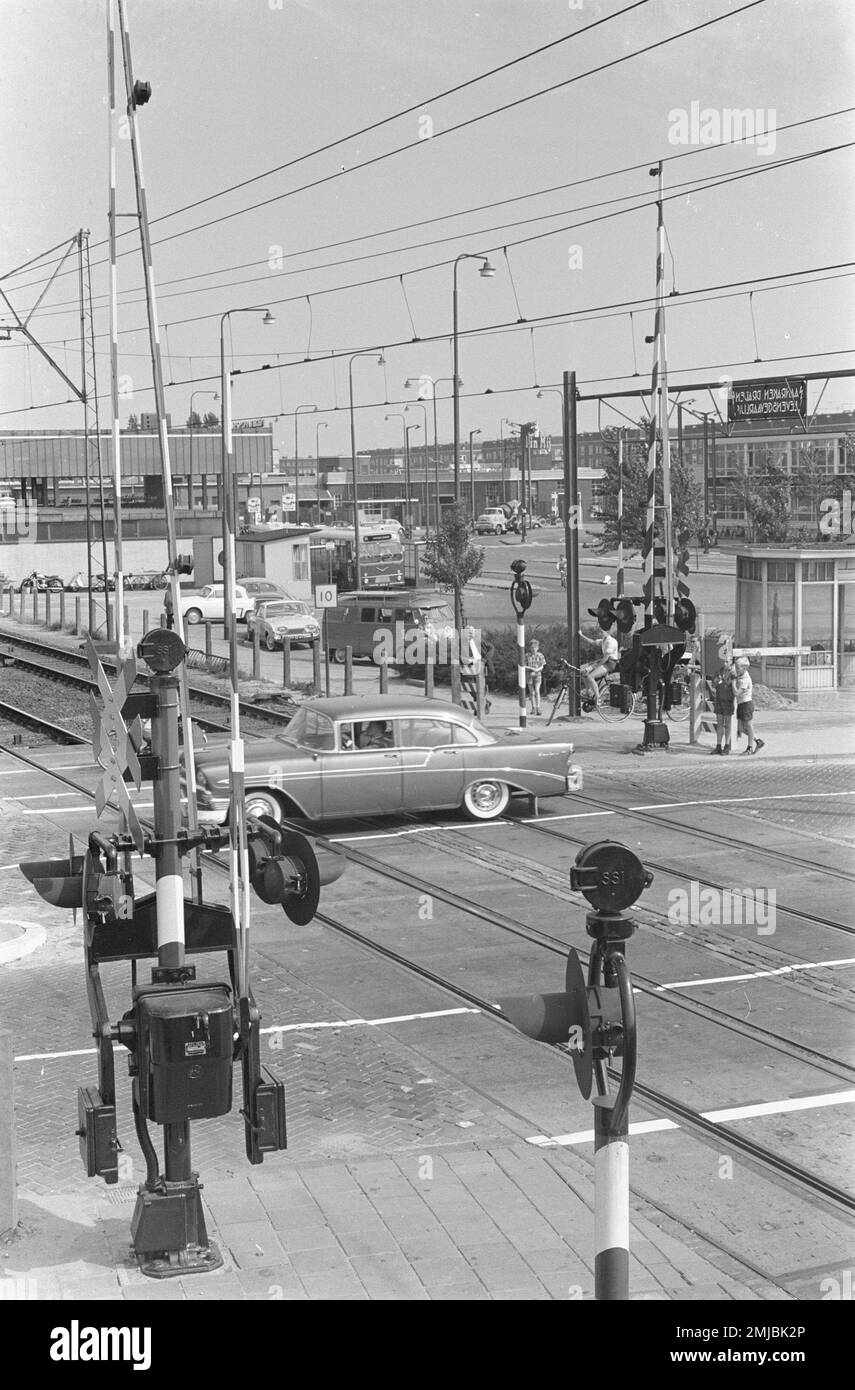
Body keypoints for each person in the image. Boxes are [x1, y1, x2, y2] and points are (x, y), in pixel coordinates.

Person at [578, 623, 619, 704]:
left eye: (601, 631)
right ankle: (588, 692)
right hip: (605, 661)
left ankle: (598, 698)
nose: (600, 633)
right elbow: (593, 642)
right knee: (583, 671)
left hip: (610, 663)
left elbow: (606, 658)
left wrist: (595, 667)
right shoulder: (604, 640)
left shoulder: (610, 642)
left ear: (607, 632)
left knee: (590, 677)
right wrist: (582, 636)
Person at [734, 657, 764, 755]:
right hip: (741, 704)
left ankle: (749, 747)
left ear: (744, 669)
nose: (736, 669)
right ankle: (758, 741)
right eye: (736, 667)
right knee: (741, 729)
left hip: (746, 704)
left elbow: (737, 693)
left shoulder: (745, 680)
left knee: (749, 726)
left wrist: (733, 684)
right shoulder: (740, 675)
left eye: (738, 668)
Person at [710, 658, 735, 754]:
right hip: (719, 700)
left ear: (730, 662)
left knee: (727, 724)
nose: (724, 663)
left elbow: (734, 685)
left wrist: (725, 680)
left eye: (727, 662)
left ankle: (727, 745)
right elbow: (713, 684)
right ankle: (718, 745)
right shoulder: (718, 672)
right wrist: (717, 680)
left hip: (728, 701)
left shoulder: (733, 674)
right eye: (723, 661)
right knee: (719, 723)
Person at [525, 637, 546, 716]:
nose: (533, 649)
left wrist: (537, 670)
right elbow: (523, 665)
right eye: (532, 647)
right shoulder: (527, 655)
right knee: (531, 692)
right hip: (529, 674)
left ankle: (538, 707)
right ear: (530, 648)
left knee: (537, 690)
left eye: (535, 647)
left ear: (537, 648)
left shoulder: (540, 655)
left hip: (538, 675)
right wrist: (532, 669)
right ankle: (533, 707)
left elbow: (542, 665)